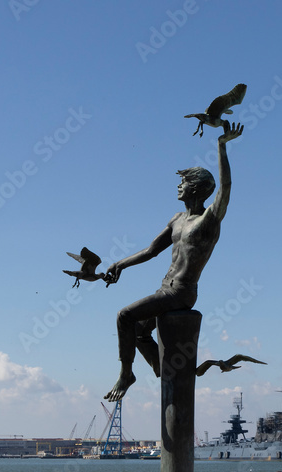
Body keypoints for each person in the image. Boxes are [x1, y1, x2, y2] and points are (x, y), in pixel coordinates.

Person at [102, 121, 243, 401]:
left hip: (181, 293)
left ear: (196, 189)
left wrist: (221, 146)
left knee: (125, 315)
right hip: (164, 289)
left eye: (184, 182)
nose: (178, 186)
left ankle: (126, 373)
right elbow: (151, 250)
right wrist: (120, 264)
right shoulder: (177, 220)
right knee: (140, 333)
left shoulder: (208, 221)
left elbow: (225, 188)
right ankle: (163, 369)